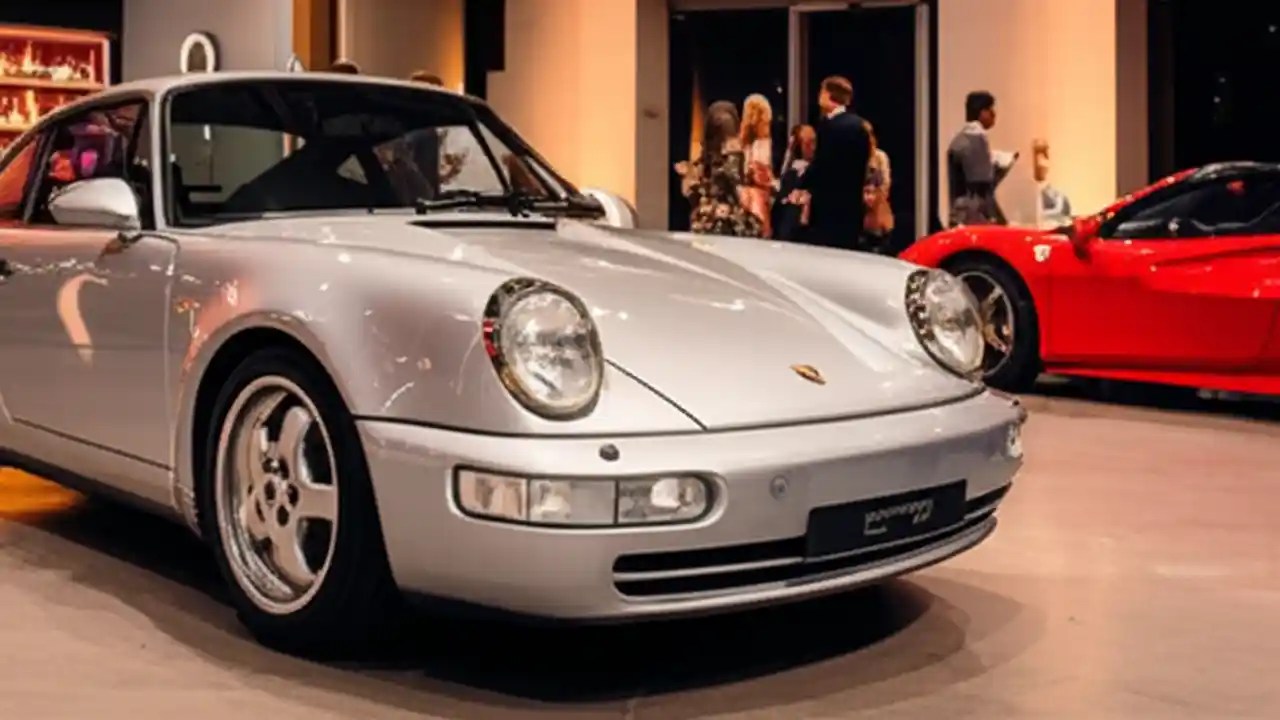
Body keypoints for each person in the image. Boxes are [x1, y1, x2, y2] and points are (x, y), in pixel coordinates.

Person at [794, 75, 871, 249]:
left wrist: (800, 183)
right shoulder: (860, 126)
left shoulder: (828, 126)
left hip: (827, 206)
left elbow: (821, 164)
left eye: (821, 92)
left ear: (829, 95)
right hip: (851, 205)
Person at [676, 100, 763, 238]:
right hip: (714, 215)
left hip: (722, 216)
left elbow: (734, 182)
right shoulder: (715, 155)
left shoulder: (732, 153)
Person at [947, 90, 1015, 226]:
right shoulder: (975, 140)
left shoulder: (960, 140)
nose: (994, 114)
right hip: (973, 218)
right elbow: (982, 188)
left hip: (961, 215)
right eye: (990, 109)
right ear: (982, 112)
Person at [739, 93, 775, 236]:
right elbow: (763, 177)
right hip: (757, 198)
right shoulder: (763, 143)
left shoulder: (740, 144)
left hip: (744, 196)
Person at [772, 124, 815, 242]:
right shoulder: (789, 176)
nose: (813, 147)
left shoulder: (816, 172)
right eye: (809, 143)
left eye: (814, 142)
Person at [861, 120, 895, 253]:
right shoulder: (854, 157)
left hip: (879, 209)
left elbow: (886, 183)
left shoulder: (880, 157)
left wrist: (875, 197)